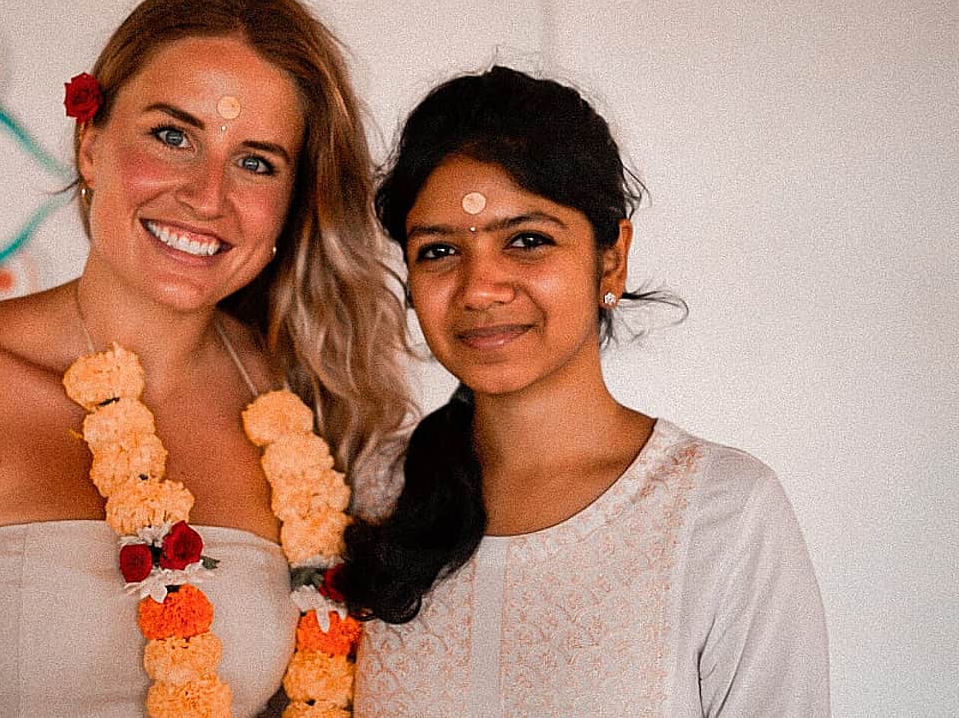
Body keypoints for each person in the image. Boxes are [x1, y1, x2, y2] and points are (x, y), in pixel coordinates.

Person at [0, 0, 410, 718]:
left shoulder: (306, 409)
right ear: (91, 145)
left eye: (255, 161)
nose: (207, 195)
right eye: (172, 135)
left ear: (290, 198)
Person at [340, 66, 830, 716]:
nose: (480, 288)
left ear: (612, 258)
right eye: (438, 251)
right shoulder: (373, 491)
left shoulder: (720, 512)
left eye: (527, 240)